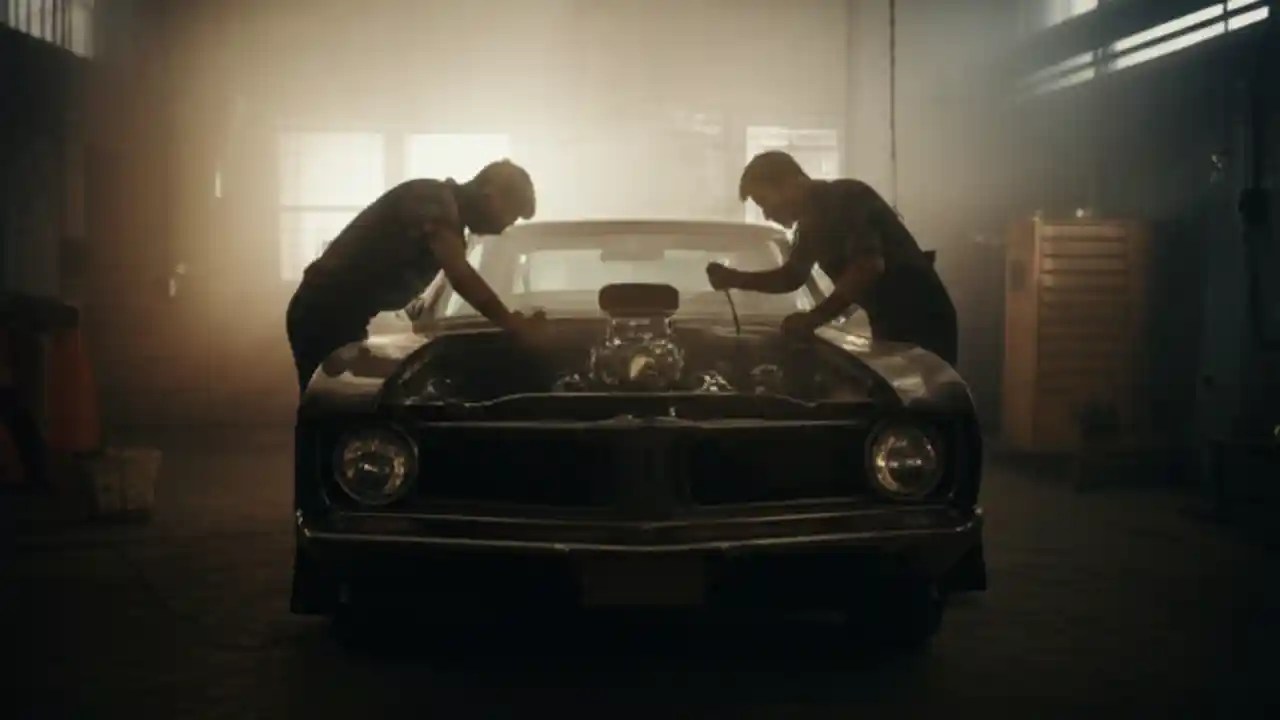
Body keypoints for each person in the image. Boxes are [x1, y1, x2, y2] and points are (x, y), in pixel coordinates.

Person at [286, 159, 544, 391]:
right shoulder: (432, 200)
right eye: (509, 216)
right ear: (491, 194)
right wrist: (512, 324)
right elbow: (461, 276)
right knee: (336, 411)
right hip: (324, 314)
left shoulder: (443, 212)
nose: (501, 229)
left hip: (338, 316)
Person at [706, 151, 958, 366]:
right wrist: (735, 279)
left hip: (923, 320)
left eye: (764, 201)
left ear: (790, 183)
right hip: (890, 321)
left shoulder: (847, 197)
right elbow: (792, 277)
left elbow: (868, 266)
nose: (766, 214)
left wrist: (815, 318)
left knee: (927, 409)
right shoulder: (810, 224)